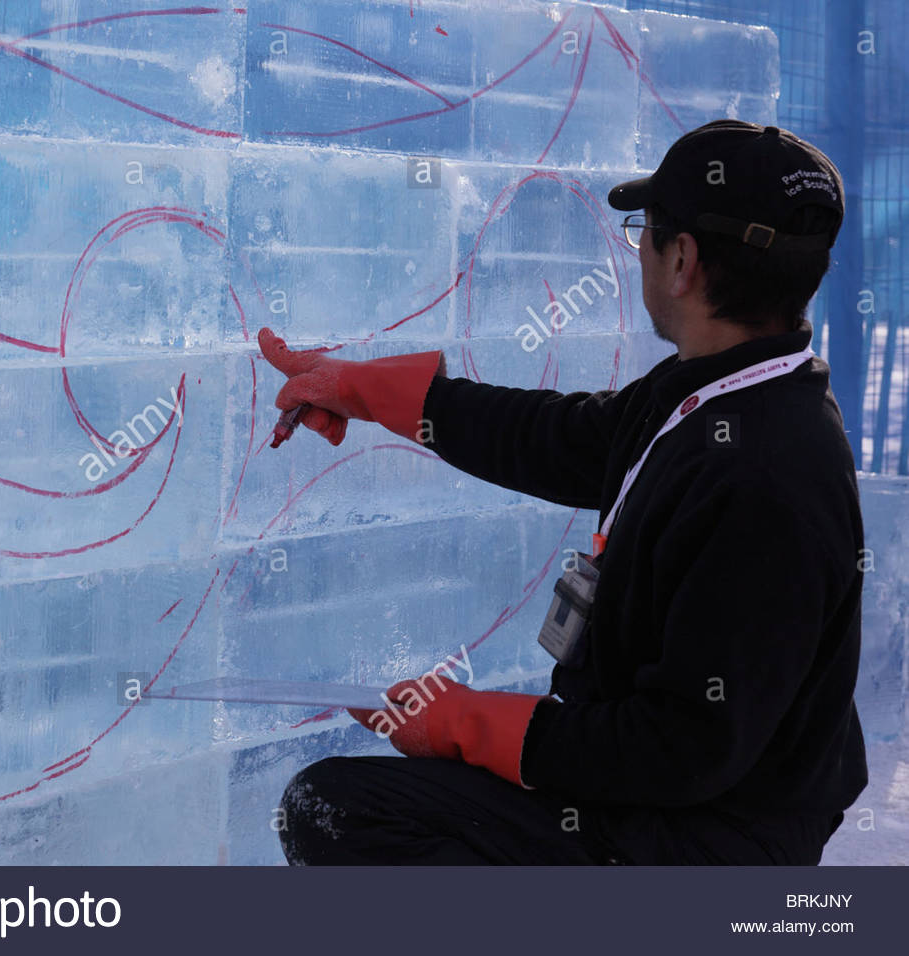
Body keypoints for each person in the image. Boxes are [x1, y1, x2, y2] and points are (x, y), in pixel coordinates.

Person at [259, 120, 868, 865]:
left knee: (337, 813)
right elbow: (558, 438)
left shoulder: (769, 475)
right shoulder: (716, 394)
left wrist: (467, 726)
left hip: (705, 841)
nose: (638, 247)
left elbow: (681, 748)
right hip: (662, 797)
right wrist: (361, 389)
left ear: (683, 259)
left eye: (646, 230)